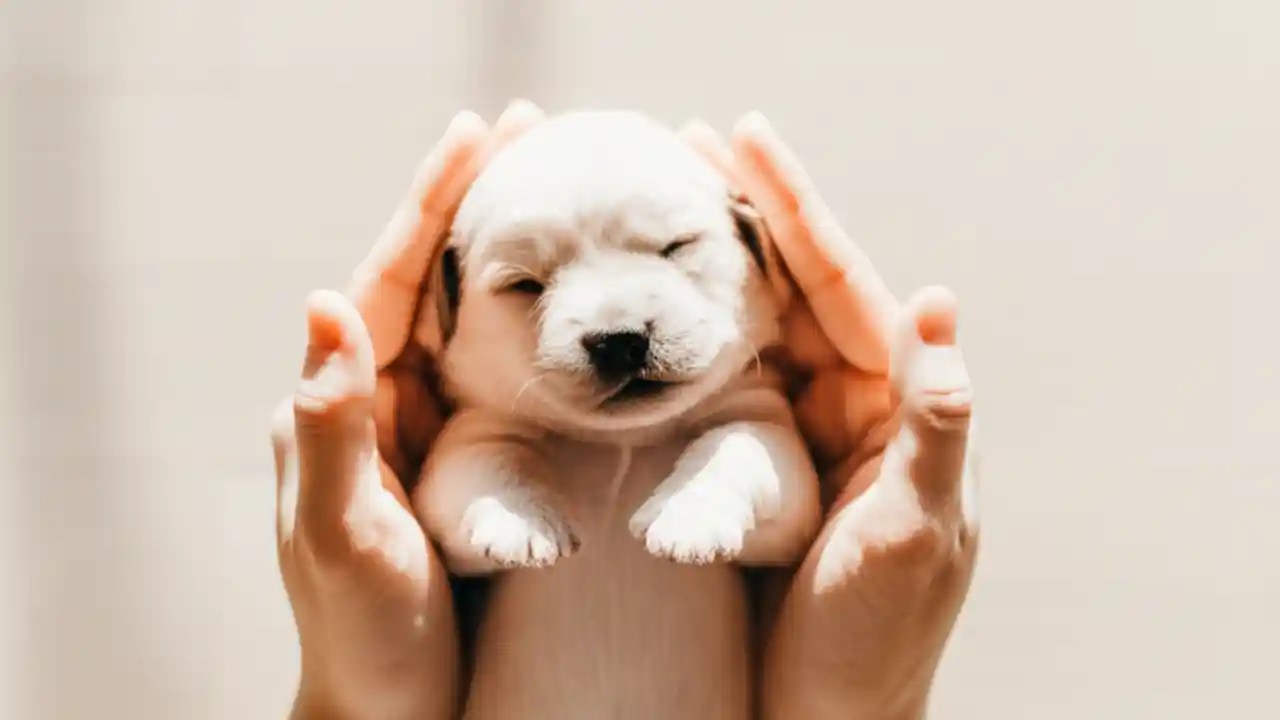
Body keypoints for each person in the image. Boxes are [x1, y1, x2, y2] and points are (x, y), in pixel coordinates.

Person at [270, 100, 978, 719]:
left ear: (760, 247)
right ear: (445, 309)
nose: (616, 329)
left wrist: (728, 488)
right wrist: (489, 503)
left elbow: (782, 511)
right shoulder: (490, 429)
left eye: (676, 248)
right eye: (522, 283)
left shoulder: (750, 416)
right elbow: (456, 495)